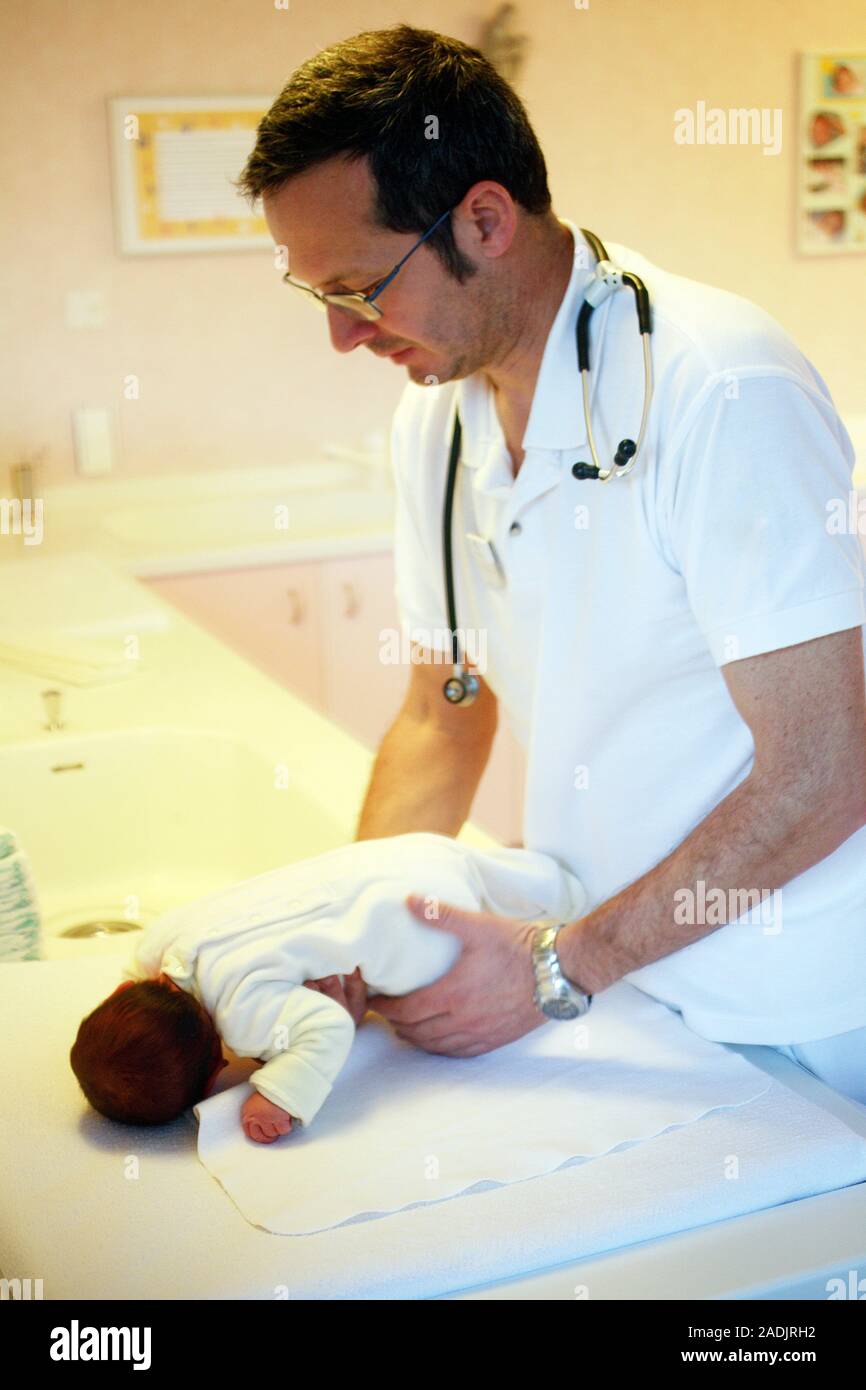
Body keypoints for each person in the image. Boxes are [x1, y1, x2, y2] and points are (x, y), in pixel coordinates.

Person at [235, 25, 866, 1104]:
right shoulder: (431, 422)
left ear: (482, 220)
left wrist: (551, 971)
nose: (343, 337)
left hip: (792, 1002)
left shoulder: (717, 386)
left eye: (358, 288)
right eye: (321, 299)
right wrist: (348, 933)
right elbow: (443, 712)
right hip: (613, 968)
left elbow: (827, 763)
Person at [69, 831, 586, 1141]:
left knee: (420, 977)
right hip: (409, 858)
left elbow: (329, 1026)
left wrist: (279, 1095)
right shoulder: (166, 940)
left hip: (424, 936)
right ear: (121, 992)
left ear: (214, 1071)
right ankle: (565, 886)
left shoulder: (241, 1016)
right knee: (502, 879)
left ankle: (566, 915)